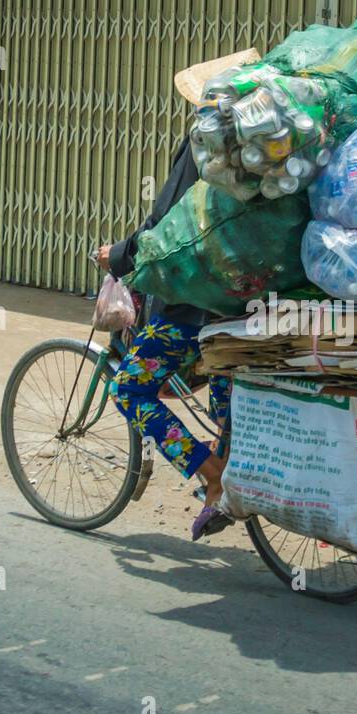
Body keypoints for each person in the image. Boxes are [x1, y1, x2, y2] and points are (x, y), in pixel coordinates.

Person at [97, 136, 235, 542]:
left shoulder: (206, 141)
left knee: (128, 390)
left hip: (196, 303)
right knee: (225, 380)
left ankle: (214, 477)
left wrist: (118, 254)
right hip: (249, 304)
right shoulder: (273, 147)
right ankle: (229, 463)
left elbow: (166, 225)